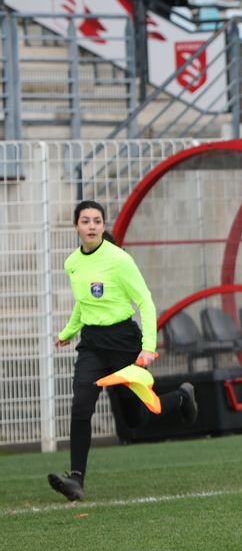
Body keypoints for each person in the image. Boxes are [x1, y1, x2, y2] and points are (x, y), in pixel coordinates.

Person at [48, 201, 198, 502]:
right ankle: (76, 479)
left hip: (124, 344)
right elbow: (83, 302)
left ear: (103, 226)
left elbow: (145, 302)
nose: (91, 226)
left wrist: (148, 349)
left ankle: (182, 396)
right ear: (76, 226)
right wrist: (68, 332)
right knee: (81, 406)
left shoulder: (119, 260)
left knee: (137, 418)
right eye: (86, 221)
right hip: (91, 345)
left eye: (97, 221)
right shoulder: (71, 263)